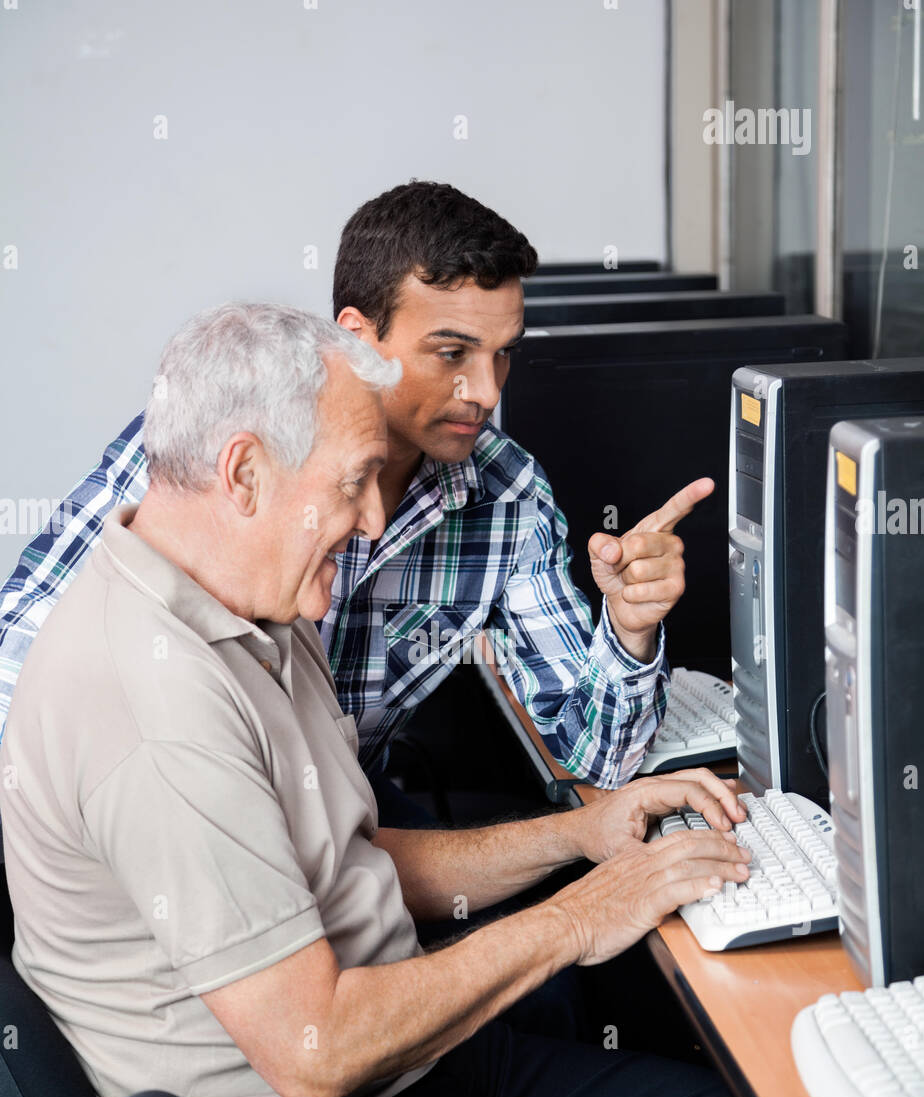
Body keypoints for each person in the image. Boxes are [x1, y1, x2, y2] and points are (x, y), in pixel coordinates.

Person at [0, 303, 770, 1097]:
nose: (373, 520)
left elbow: (352, 863)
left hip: (402, 1066)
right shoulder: (151, 702)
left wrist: (580, 835)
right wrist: (579, 917)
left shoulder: (249, 597)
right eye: (355, 482)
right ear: (243, 475)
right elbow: (314, 1051)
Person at [0, 182, 711, 796]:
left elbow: (596, 760)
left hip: (348, 828)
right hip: (188, 813)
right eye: (452, 353)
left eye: (503, 356)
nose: (486, 391)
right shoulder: (213, 438)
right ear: (359, 336)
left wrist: (629, 628)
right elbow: (16, 674)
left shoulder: (508, 496)